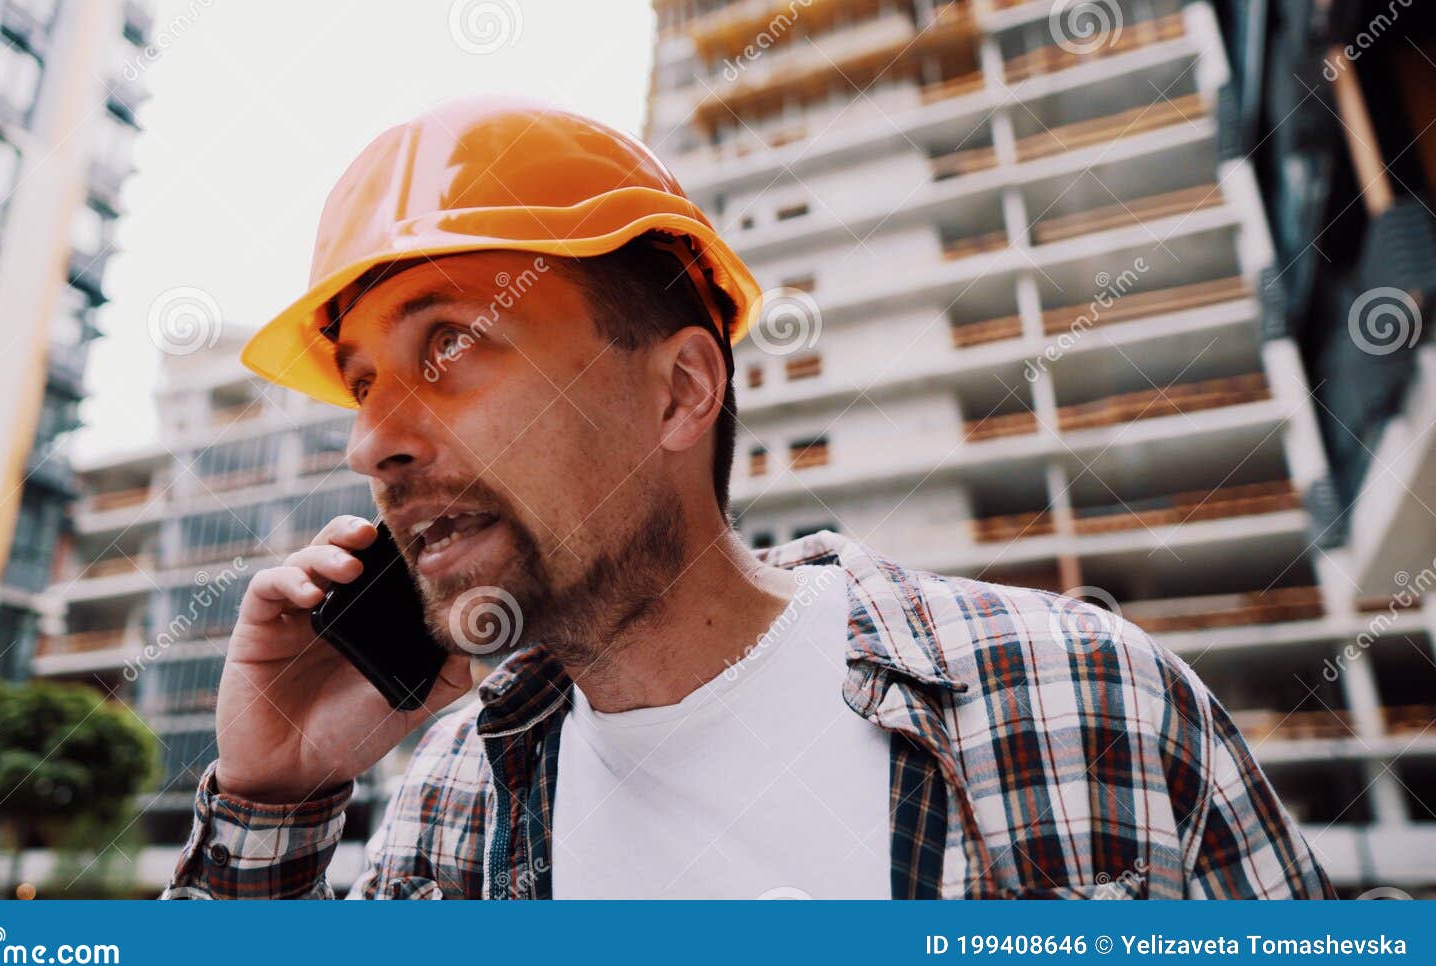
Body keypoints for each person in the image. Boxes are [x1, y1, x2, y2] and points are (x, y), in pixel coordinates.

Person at [163, 96, 1332, 900]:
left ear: (679, 392)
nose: (374, 438)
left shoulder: (1085, 698)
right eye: (361, 384)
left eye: (452, 344)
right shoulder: (443, 809)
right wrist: (275, 799)